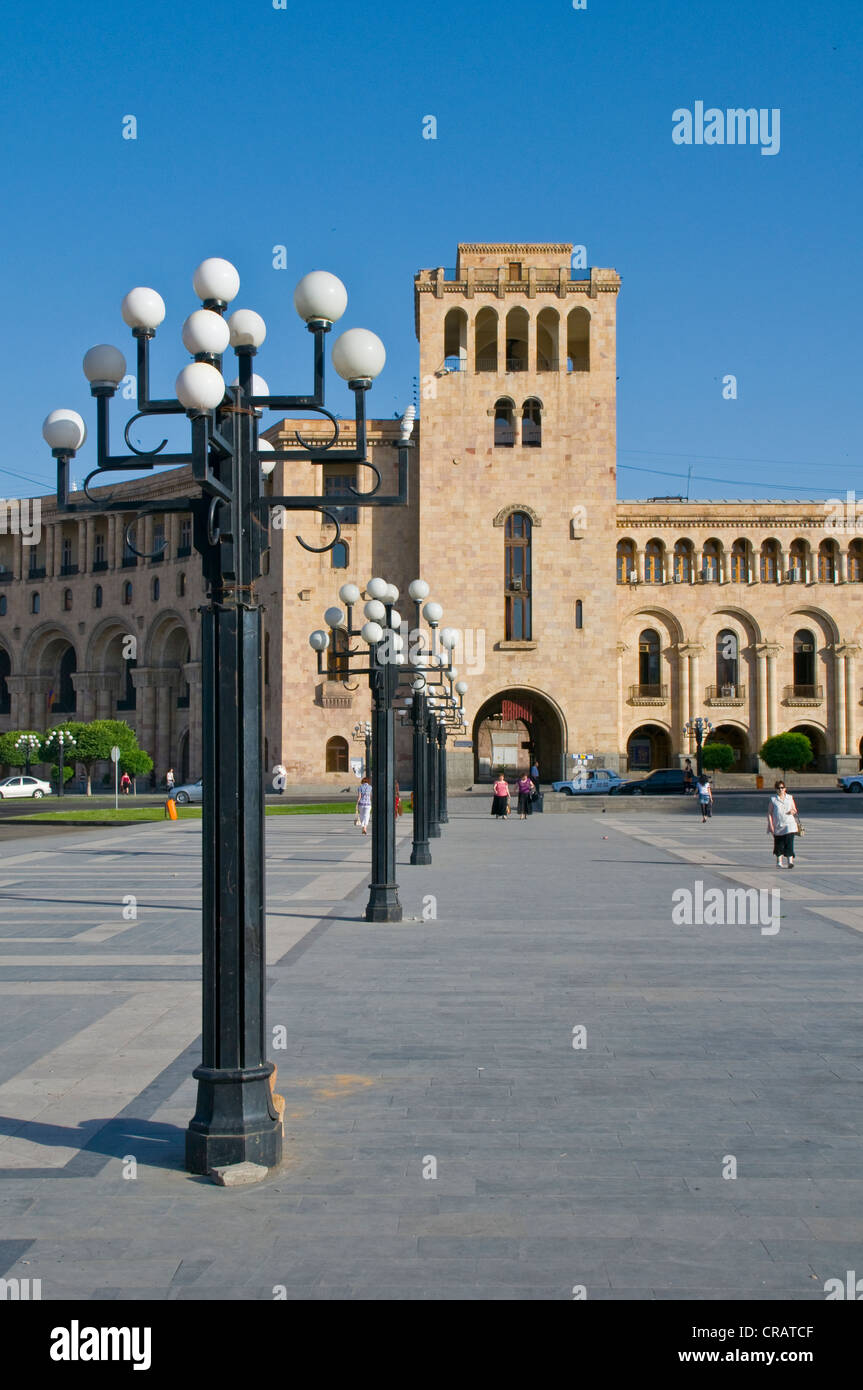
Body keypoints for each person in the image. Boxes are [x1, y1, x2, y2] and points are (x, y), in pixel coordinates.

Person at [767, 779, 799, 868]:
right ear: (776, 789)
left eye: (782, 787)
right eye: (778, 788)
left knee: (789, 842)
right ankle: (779, 862)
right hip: (778, 825)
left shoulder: (790, 797)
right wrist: (770, 825)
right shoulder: (773, 799)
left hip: (789, 824)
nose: (780, 789)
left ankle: (790, 862)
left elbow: (795, 809)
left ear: (785, 788)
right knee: (779, 844)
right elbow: (769, 813)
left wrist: (792, 811)